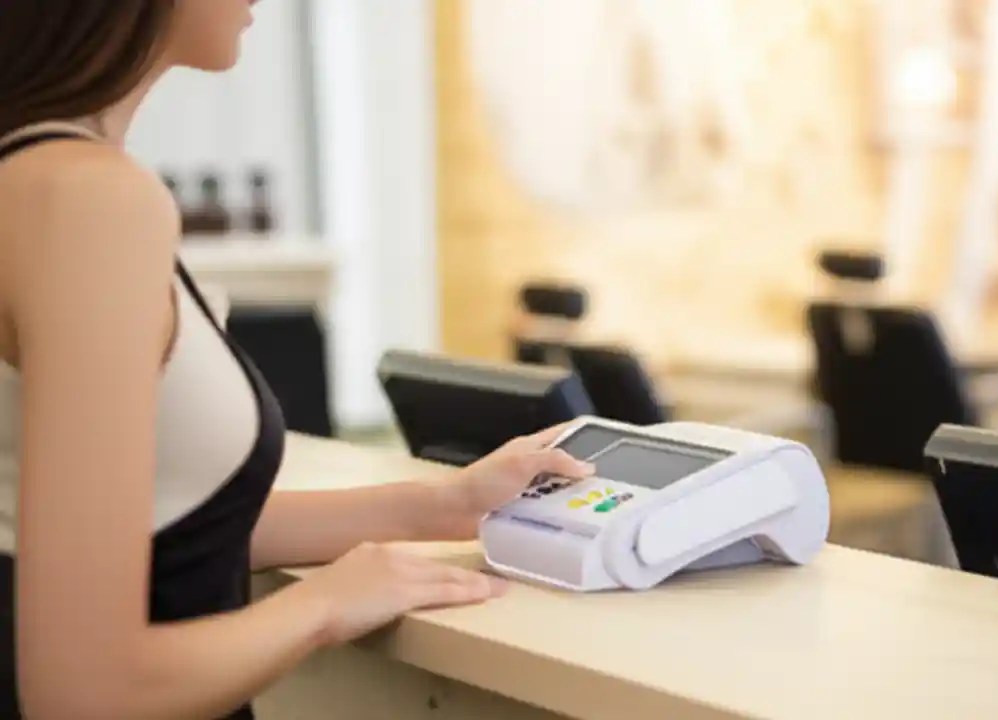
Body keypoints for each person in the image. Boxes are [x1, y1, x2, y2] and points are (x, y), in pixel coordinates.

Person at [0, 2, 594, 718]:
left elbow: (170, 531)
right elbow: (84, 690)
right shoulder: (89, 202)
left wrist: (443, 506)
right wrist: (323, 608)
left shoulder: (39, 179)